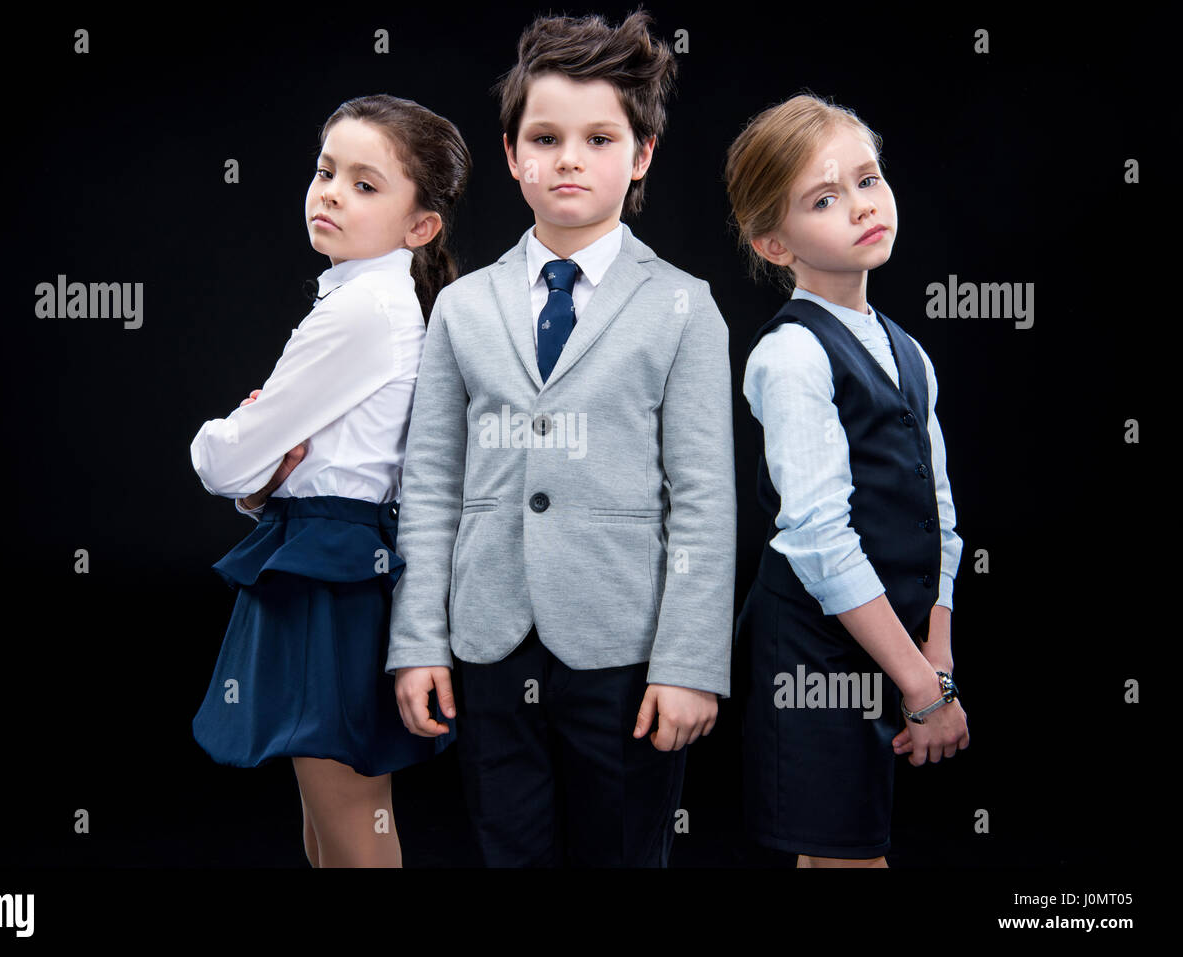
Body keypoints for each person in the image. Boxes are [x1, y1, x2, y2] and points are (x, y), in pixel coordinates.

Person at [386, 9, 736, 867]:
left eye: (598, 137)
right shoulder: (464, 308)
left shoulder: (684, 305)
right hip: (491, 643)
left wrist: (691, 660)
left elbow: (703, 497)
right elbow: (430, 482)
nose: (568, 158)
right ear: (511, 155)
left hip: (626, 644)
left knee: (622, 850)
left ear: (642, 155)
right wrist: (419, 638)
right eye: (544, 137)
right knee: (509, 849)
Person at [189, 94, 470, 867]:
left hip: (330, 581)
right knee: (328, 825)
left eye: (365, 183)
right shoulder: (368, 302)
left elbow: (225, 458)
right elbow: (271, 474)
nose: (331, 192)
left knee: (350, 828)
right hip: (328, 561)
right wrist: (261, 477)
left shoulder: (364, 313)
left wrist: (232, 443)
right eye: (325, 171)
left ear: (421, 227)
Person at [724, 92, 969, 867]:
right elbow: (823, 539)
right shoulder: (792, 356)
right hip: (814, 656)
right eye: (824, 198)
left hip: (889, 645)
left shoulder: (908, 351)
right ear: (772, 241)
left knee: (845, 852)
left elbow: (940, 518)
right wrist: (924, 692)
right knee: (844, 856)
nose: (861, 206)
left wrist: (938, 655)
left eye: (867, 180)